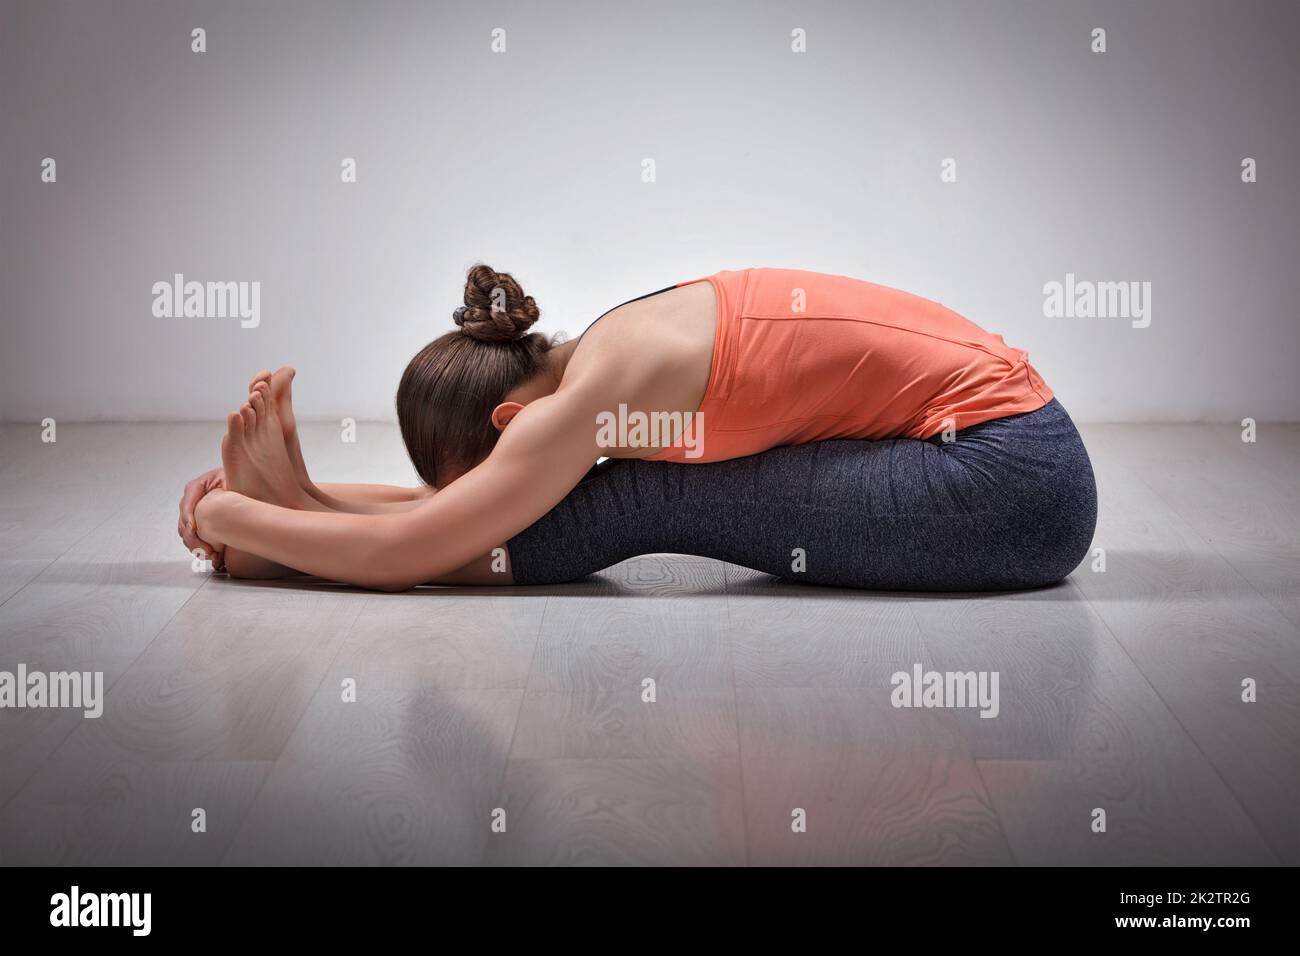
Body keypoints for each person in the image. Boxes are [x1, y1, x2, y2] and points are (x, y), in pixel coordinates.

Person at [180, 264, 1096, 591]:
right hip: (1006, 455)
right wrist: (312, 500)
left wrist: (236, 522)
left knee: (639, 498)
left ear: (513, 420)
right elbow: (445, 518)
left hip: (1010, 484)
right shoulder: (601, 353)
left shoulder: (582, 405)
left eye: (495, 479)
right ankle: (298, 528)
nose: (507, 501)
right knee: (627, 491)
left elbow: (413, 551)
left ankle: (284, 544)